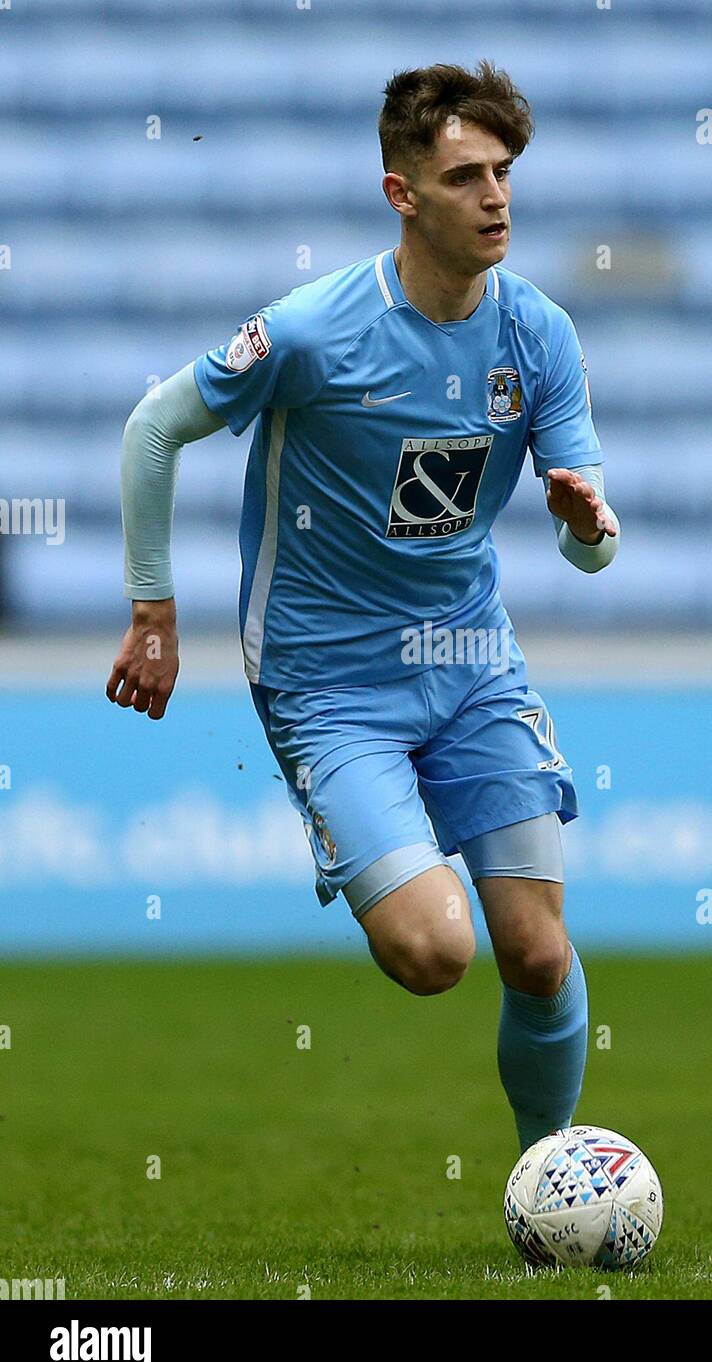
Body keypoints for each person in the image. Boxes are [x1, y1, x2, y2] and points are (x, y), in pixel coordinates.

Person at [107, 60, 620, 1153]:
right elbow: (153, 428)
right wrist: (154, 609)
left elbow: (590, 558)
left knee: (535, 950)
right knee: (435, 952)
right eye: (467, 176)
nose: (496, 198)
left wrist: (583, 526)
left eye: (506, 173)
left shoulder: (539, 335)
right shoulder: (308, 333)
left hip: (475, 661)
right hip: (328, 679)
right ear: (402, 194)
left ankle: (546, 1178)